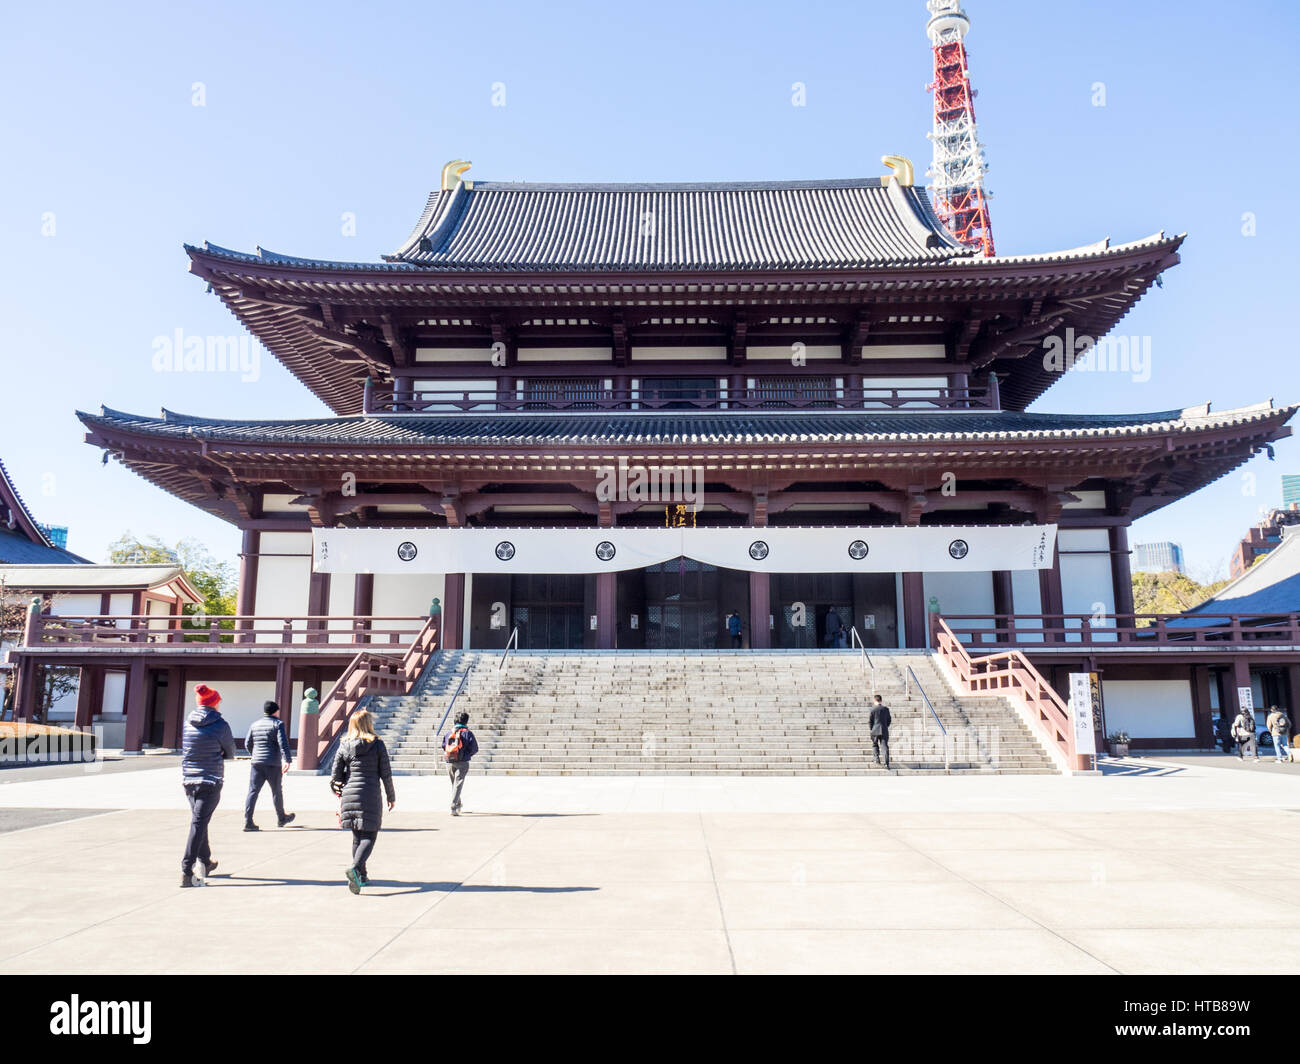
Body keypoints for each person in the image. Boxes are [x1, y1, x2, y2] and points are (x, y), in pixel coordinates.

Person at [330, 709, 395, 894]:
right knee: (369, 835)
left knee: (357, 837)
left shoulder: (344, 745)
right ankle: (355, 868)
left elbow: (335, 776)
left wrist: (342, 787)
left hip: (349, 793)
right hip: (370, 792)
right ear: (369, 724)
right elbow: (386, 773)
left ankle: (362, 876)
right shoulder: (377, 744)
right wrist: (391, 796)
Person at [180, 684, 235, 887]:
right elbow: (230, 750)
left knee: (199, 820)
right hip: (210, 779)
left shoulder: (187, 723)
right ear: (214, 703)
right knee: (198, 823)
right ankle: (187, 871)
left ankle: (205, 861)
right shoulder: (220, 724)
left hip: (189, 779)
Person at [243, 700, 296, 831]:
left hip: (256, 763)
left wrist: (254, 754)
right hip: (273, 763)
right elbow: (283, 743)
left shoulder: (255, 724)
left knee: (253, 791)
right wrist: (287, 760)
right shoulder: (278, 724)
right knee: (276, 791)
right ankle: (281, 818)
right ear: (276, 711)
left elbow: (247, 743)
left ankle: (248, 821)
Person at [442, 711, 479, 816]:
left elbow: (444, 745)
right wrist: (466, 755)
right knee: (458, 784)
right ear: (466, 721)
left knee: (455, 784)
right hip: (462, 762)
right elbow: (475, 748)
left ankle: (458, 805)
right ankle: (453, 807)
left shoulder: (449, 733)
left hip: (449, 761)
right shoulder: (468, 733)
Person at [869, 693, 892, 769]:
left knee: (875, 745)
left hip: (875, 730)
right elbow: (889, 720)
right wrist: (885, 726)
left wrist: (871, 729)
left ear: (875, 700)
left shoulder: (872, 709)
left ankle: (877, 759)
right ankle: (886, 763)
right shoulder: (886, 709)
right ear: (881, 701)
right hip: (884, 730)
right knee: (884, 746)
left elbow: (870, 721)